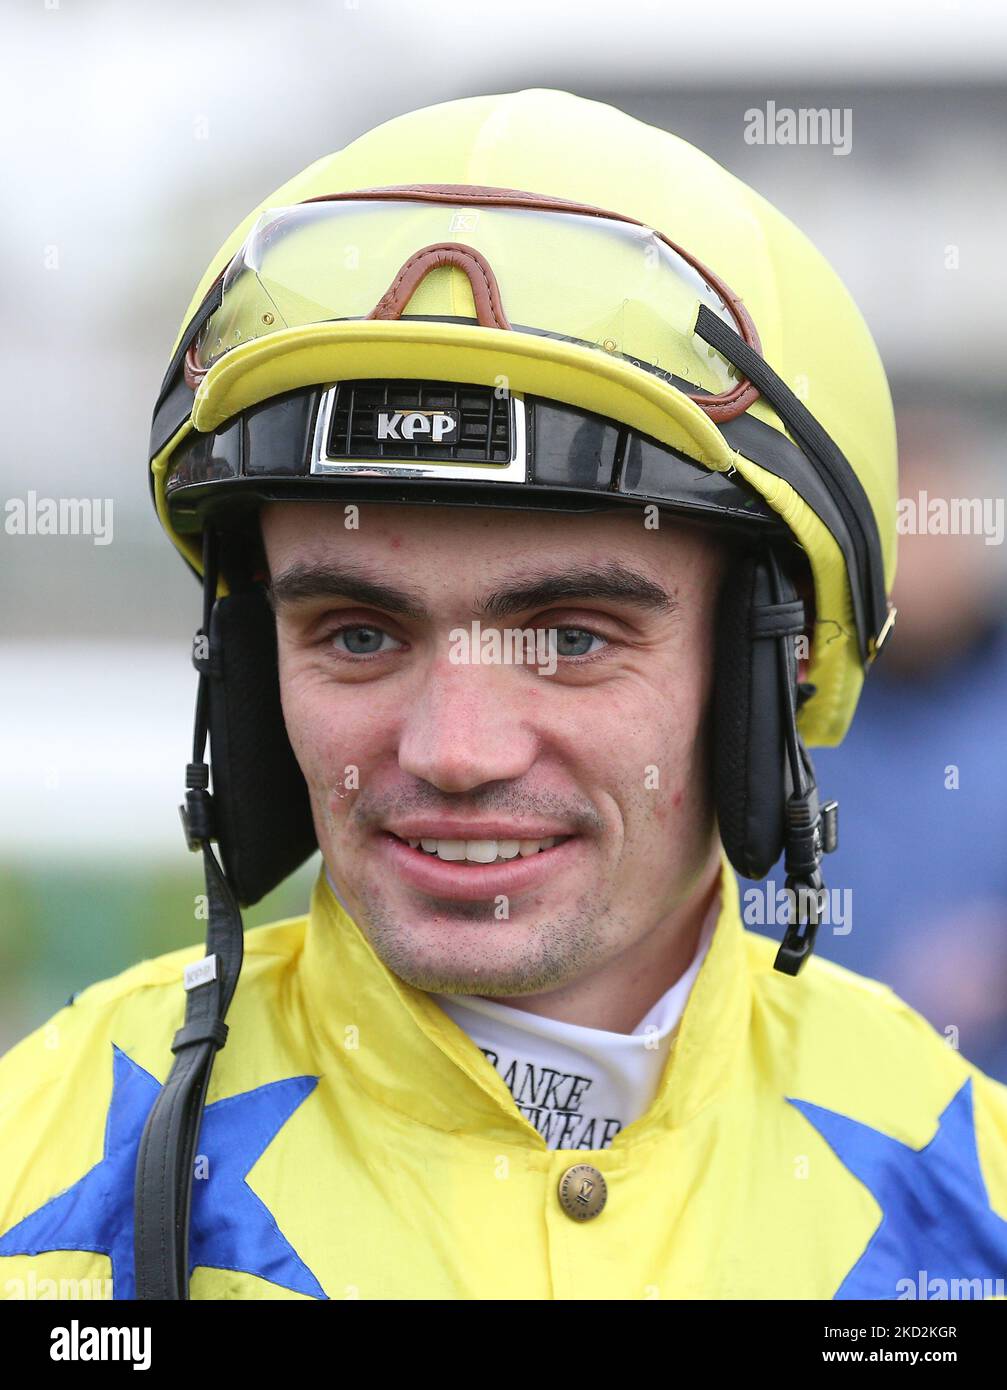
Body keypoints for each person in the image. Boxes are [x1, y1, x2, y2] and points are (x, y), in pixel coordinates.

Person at [2, 88, 1006, 1303]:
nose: (454, 750)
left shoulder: (972, 1189)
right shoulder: (35, 1167)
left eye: (571, 637)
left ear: (771, 661)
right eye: (360, 633)